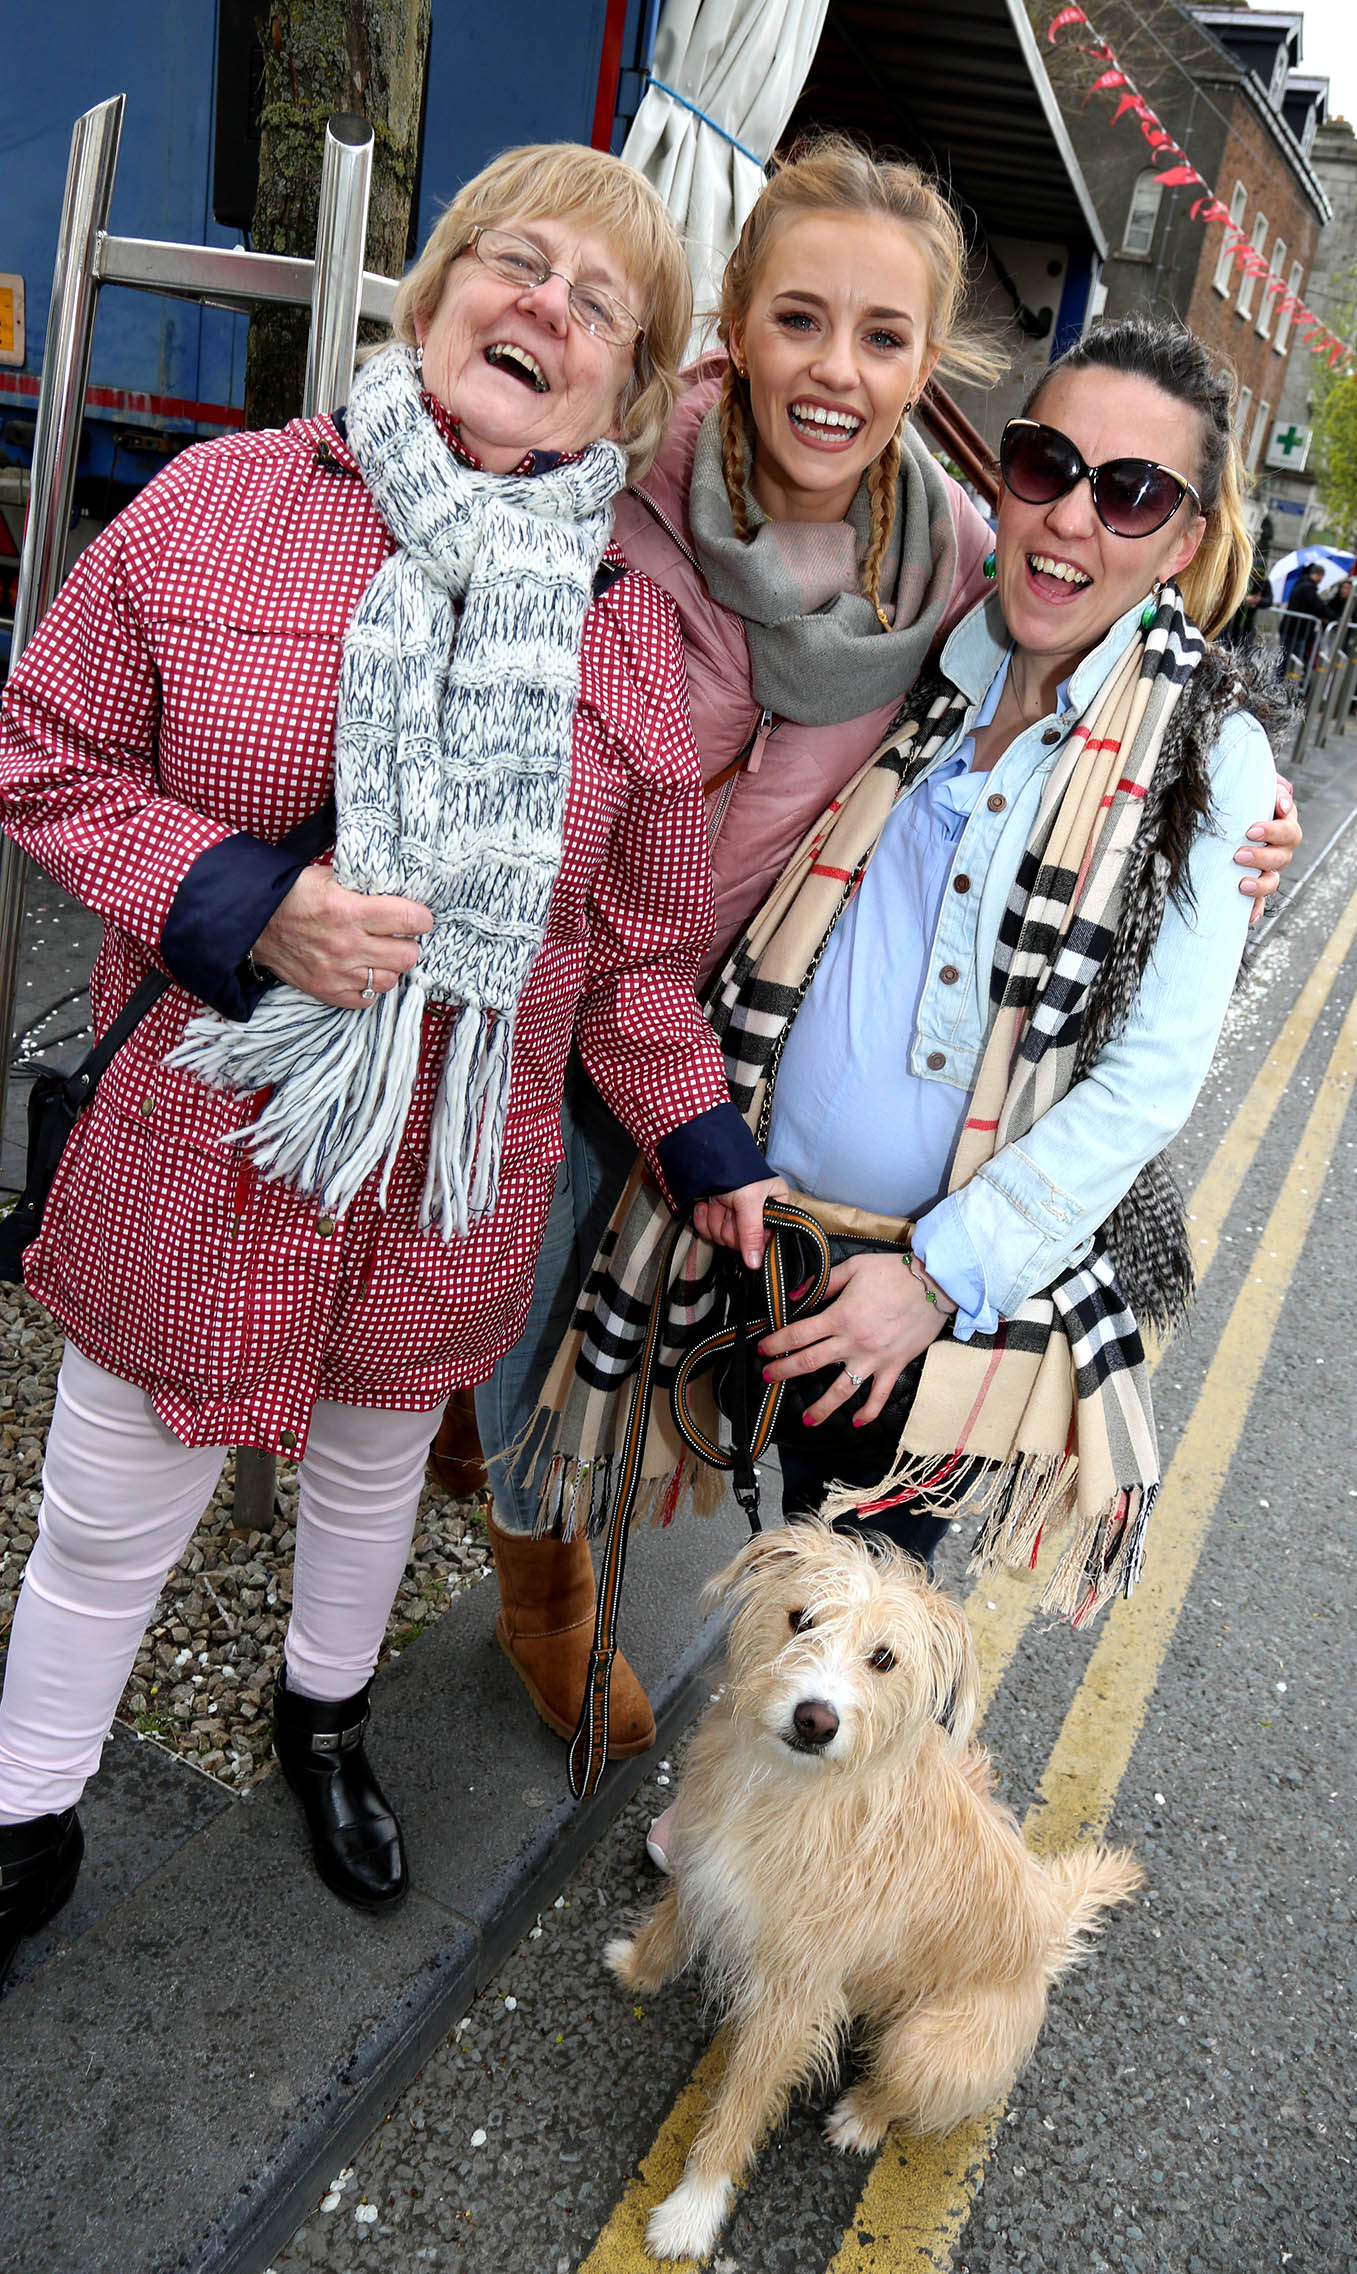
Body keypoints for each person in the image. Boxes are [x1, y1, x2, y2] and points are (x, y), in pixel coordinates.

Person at [0, 143, 774, 1986]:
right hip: (210, 1128)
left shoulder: (625, 637)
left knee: (365, 1472)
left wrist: (709, 1143)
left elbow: (635, 959)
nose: (547, 312)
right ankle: (28, 1804)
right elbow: (42, 751)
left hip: (455, 1159)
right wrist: (250, 901)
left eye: (599, 308)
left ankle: (322, 1721)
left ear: (629, 389)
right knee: (113, 1502)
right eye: (517, 267)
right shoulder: (218, 507)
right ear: (431, 298)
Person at [472, 141, 1300, 1748]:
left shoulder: (1113, 686)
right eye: (1048, 463)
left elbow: (1147, 1068)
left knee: (862, 1610)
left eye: (1130, 492)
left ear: (1189, 533)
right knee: (738, 1495)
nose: (1072, 515)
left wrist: (938, 1272)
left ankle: (813, 1886)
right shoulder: (875, 584)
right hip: (620, 1063)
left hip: (875, 1233)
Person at [1279, 561, 1326, 674]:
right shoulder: (1308, 588)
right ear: (1318, 574)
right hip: (1297, 631)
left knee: (1286, 659)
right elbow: (1318, 606)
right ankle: (1281, 685)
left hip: (1293, 629)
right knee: (1291, 661)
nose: (1321, 580)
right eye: (1321, 576)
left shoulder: (1301, 583)